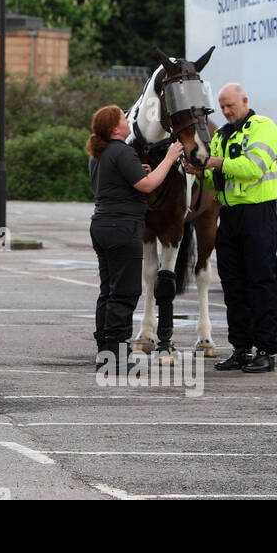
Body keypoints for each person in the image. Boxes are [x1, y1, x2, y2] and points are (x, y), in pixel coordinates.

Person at [185, 83, 277, 373]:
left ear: (245, 101)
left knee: (260, 281)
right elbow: (217, 181)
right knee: (233, 286)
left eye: (231, 105)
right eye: (223, 107)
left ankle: (266, 349)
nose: (227, 112)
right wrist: (200, 173)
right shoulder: (222, 136)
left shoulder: (263, 127)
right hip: (228, 215)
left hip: (257, 214)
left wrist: (213, 162)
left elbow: (253, 169)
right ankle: (241, 348)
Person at [86, 105, 184, 371]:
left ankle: (104, 350)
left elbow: (120, 179)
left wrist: (137, 170)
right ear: (115, 128)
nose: (128, 121)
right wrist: (170, 158)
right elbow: (148, 185)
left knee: (108, 290)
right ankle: (117, 356)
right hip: (123, 227)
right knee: (125, 291)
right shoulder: (123, 151)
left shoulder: (100, 153)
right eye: (123, 118)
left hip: (102, 224)